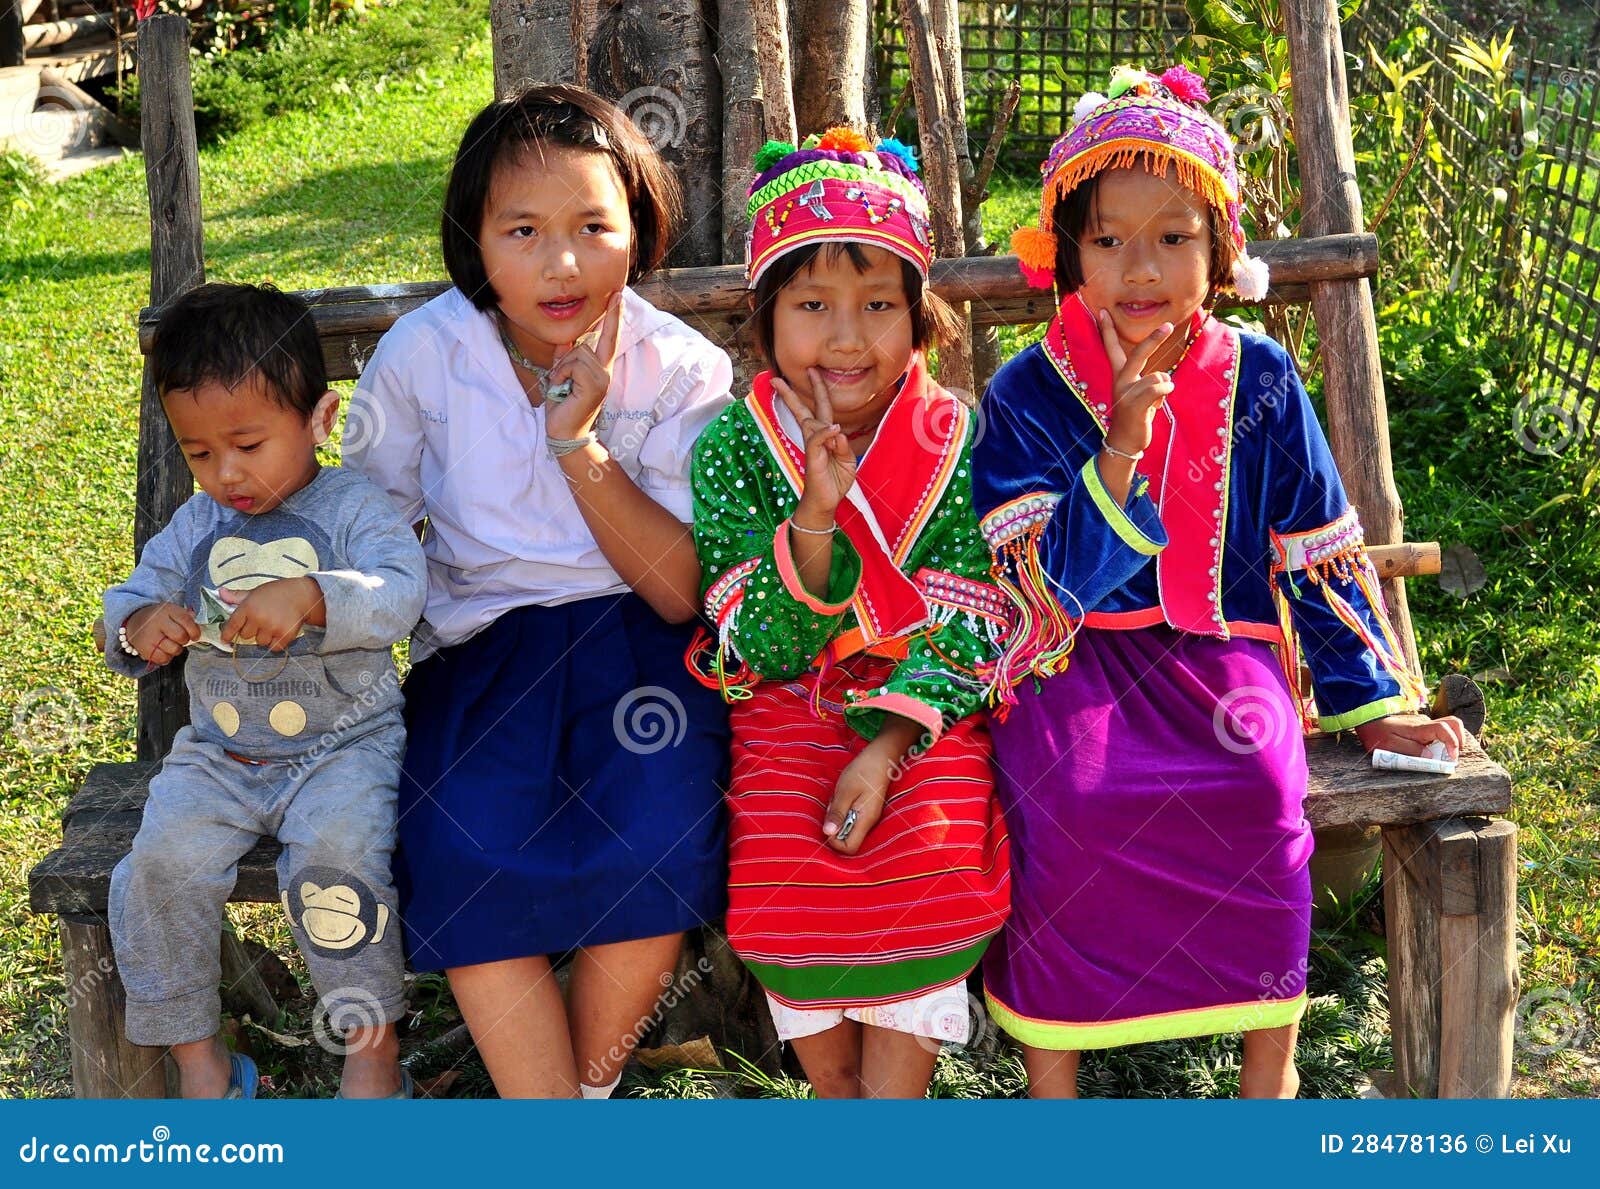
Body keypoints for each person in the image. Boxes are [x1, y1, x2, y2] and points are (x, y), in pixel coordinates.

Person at [976, 65, 1465, 1098]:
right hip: (1071, 661)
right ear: (1066, 251)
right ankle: (1050, 1078)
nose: (1137, 268)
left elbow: (1315, 548)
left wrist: (1371, 710)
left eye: (1172, 237)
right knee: (1066, 795)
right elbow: (1030, 592)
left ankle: (1267, 1079)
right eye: (1106, 239)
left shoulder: (1260, 378)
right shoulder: (1024, 390)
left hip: (1221, 658)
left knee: (1256, 787)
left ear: (1220, 249)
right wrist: (1118, 447)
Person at [344, 85, 732, 1099]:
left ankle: (572, 1108)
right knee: (461, 844)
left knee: (659, 839)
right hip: (480, 652)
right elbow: (369, 531)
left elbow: (678, 591)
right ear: (475, 243)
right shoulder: (422, 358)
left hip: (642, 649)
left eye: (593, 227)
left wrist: (578, 445)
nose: (562, 264)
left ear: (638, 232)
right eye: (523, 231)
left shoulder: (680, 367)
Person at [689, 128, 1011, 1099]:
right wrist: (817, 521)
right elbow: (758, 638)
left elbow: (974, 614)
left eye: (878, 306)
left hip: (925, 706)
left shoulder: (949, 437)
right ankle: (836, 1100)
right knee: (785, 872)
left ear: (919, 321)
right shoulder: (733, 452)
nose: (844, 338)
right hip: (787, 706)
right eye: (812, 306)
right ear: (766, 321)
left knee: (931, 853)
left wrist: (883, 746)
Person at [104, 282, 427, 1099]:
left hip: (343, 749)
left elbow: (401, 590)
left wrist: (318, 594)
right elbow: (125, 606)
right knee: (157, 868)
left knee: (336, 863)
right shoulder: (196, 526)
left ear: (319, 420)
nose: (227, 473)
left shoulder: (352, 506)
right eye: (200, 452)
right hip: (218, 755)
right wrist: (142, 622)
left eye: (247, 443)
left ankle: (371, 1042)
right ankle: (198, 1056)